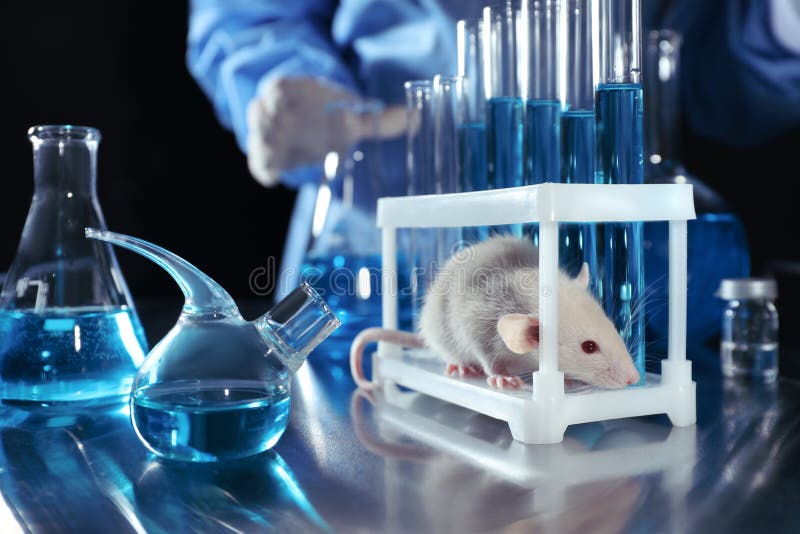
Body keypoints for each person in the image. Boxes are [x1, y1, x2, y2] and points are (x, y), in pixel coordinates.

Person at [187, 0, 800, 296]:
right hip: (379, 253)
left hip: (609, 272)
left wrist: (781, 29)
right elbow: (246, 16)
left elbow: (702, 79)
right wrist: (281, 86)